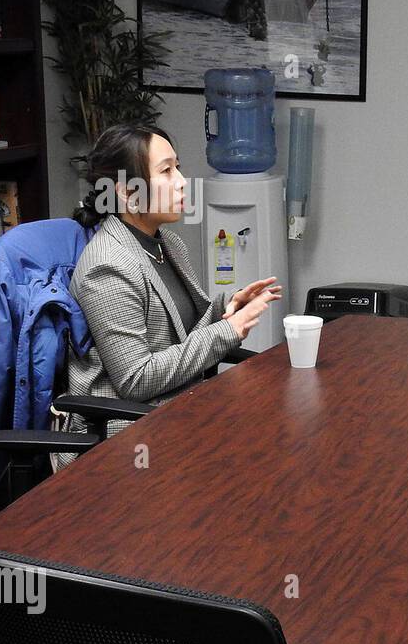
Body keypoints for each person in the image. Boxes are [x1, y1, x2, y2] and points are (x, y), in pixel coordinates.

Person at [57, 123, 281, 465]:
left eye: (178, 167)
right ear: (127, 192)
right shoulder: (107, 265)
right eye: (166, 171)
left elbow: (182, 332)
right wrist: (230, 331)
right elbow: (136, 379)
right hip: (130, 435)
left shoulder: (167, 244)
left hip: (181, 408)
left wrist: (229, 307)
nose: (181, 181)